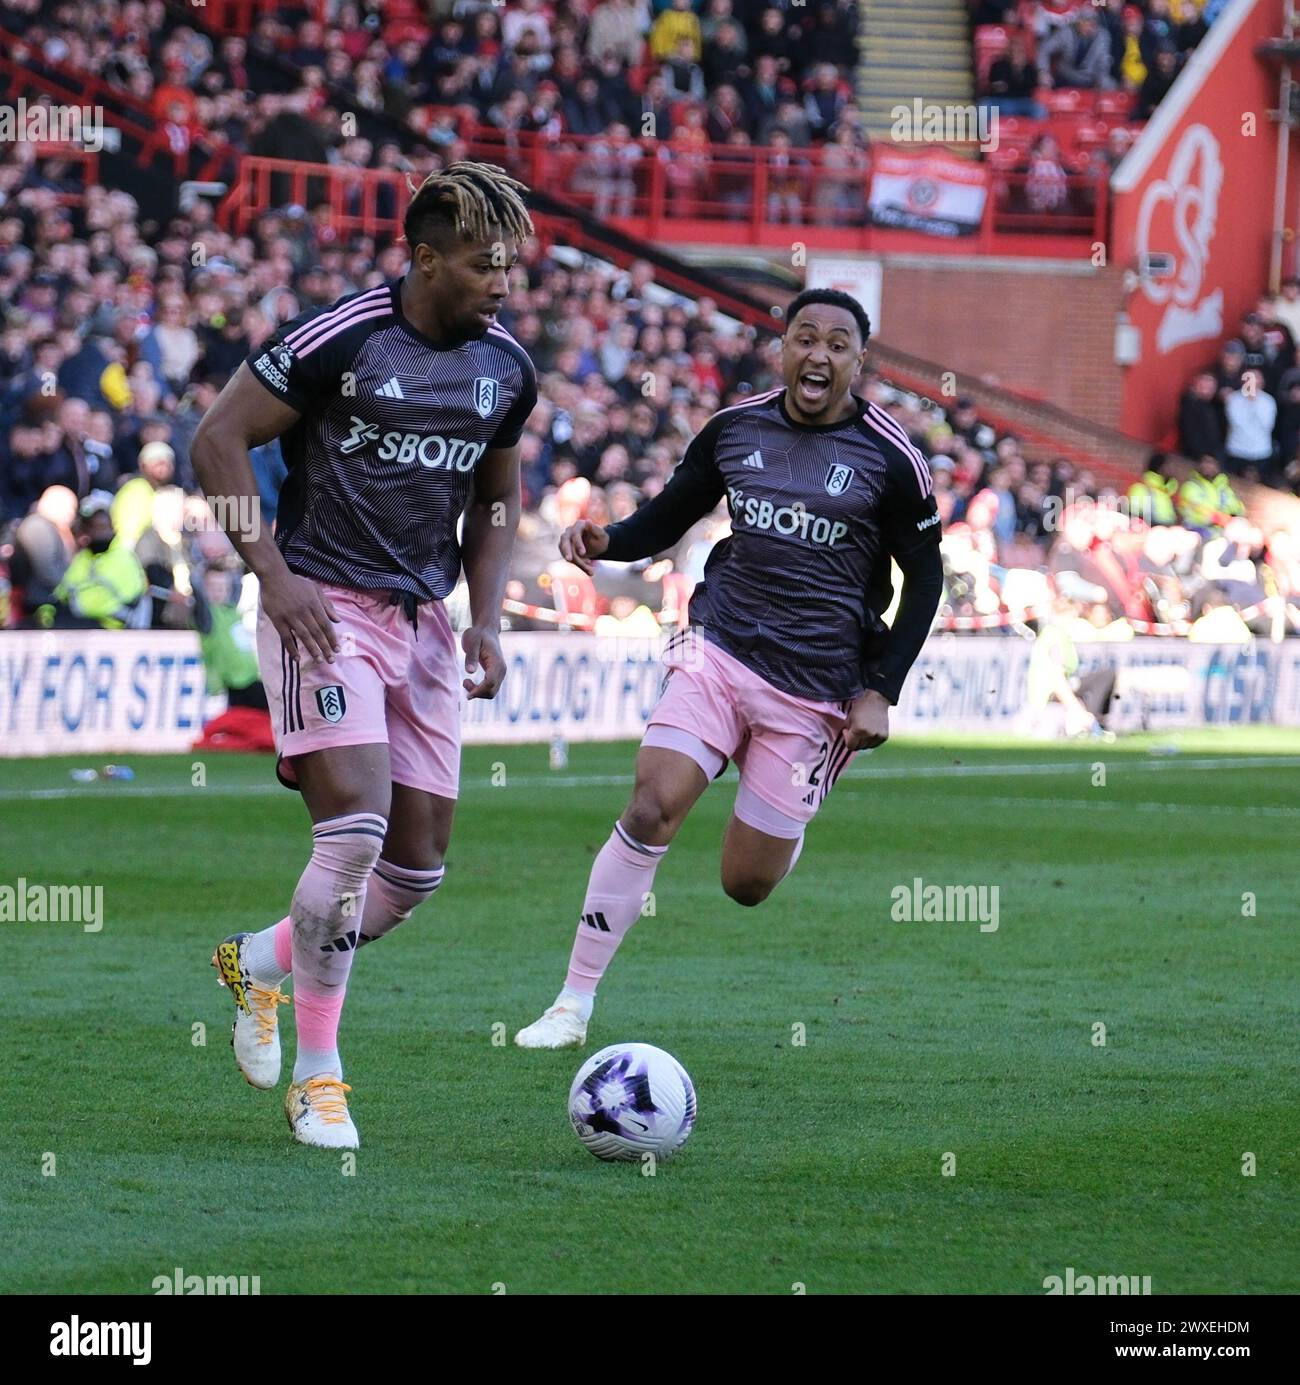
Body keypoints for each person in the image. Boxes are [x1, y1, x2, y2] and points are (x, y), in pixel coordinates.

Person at [193, 163, 538, 1149]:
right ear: (425, 258)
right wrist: (272, 571)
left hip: (424, 620)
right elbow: (217, 438)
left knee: (415, 869)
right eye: (483, 265)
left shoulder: (505, 367)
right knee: (352, 836)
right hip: (322, 607)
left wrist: (488, 615)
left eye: (509, 266)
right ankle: (320, 1075)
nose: (501, 283)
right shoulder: (341, 339)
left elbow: (497, 498)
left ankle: (258, 961)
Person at [514, 288, 945, 1049]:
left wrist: (881, 691)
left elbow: (925, 579)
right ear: (782, 348)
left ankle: (796, 788)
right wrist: (605, 539)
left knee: (745, 884)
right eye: (804, 338)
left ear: (858, 361)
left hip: (816, 687)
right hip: (721, 646)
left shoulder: (892, 459)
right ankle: (571, 1004)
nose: (818, 354)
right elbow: (671, 514)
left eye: (837, 344)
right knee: (651, 806)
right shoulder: (735, 429)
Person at [35, 491, 148, 630]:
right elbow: (62, 593)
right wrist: (47, 614)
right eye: (90, 526)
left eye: (101, 526)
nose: (95, 533)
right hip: (76, 633)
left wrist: (71, 610)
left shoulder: (124, 557)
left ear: (112, 527)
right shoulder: (82, 558)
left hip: (111, 635)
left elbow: (106, 604)